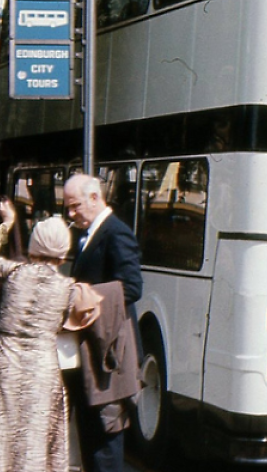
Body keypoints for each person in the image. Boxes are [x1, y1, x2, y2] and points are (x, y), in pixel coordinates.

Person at [0, 204, 98, 472]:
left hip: (6, 365)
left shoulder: (12, 273)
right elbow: (82, 318)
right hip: (43, 370)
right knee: (36, 440)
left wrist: (8, 224)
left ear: (35, 243)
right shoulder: (69, 289)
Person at [64, 174, 143, 472]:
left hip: (109, 355)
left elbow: (132, 287)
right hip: (93, 353)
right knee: (91, 442)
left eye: (75, 206)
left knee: (104, 446)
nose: (71, 215)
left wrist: (82, 298)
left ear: (95, 198)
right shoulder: (91, 234)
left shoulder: (116, 233)